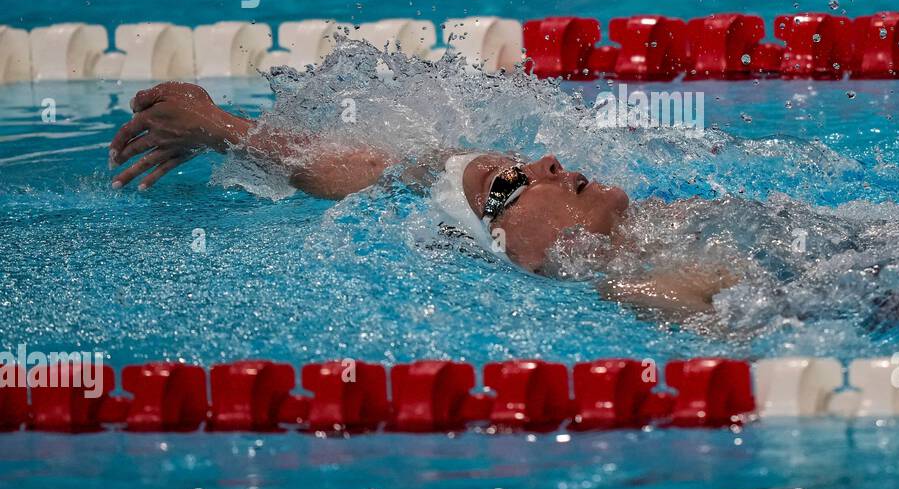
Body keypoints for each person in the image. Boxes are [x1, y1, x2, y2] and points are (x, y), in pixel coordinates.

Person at [108, 81, 737, 316]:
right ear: (510, 249)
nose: (550, 161)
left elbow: (393, 168)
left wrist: (223, 129)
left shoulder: (677, 222)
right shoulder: (646, 286)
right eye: (511, 184)